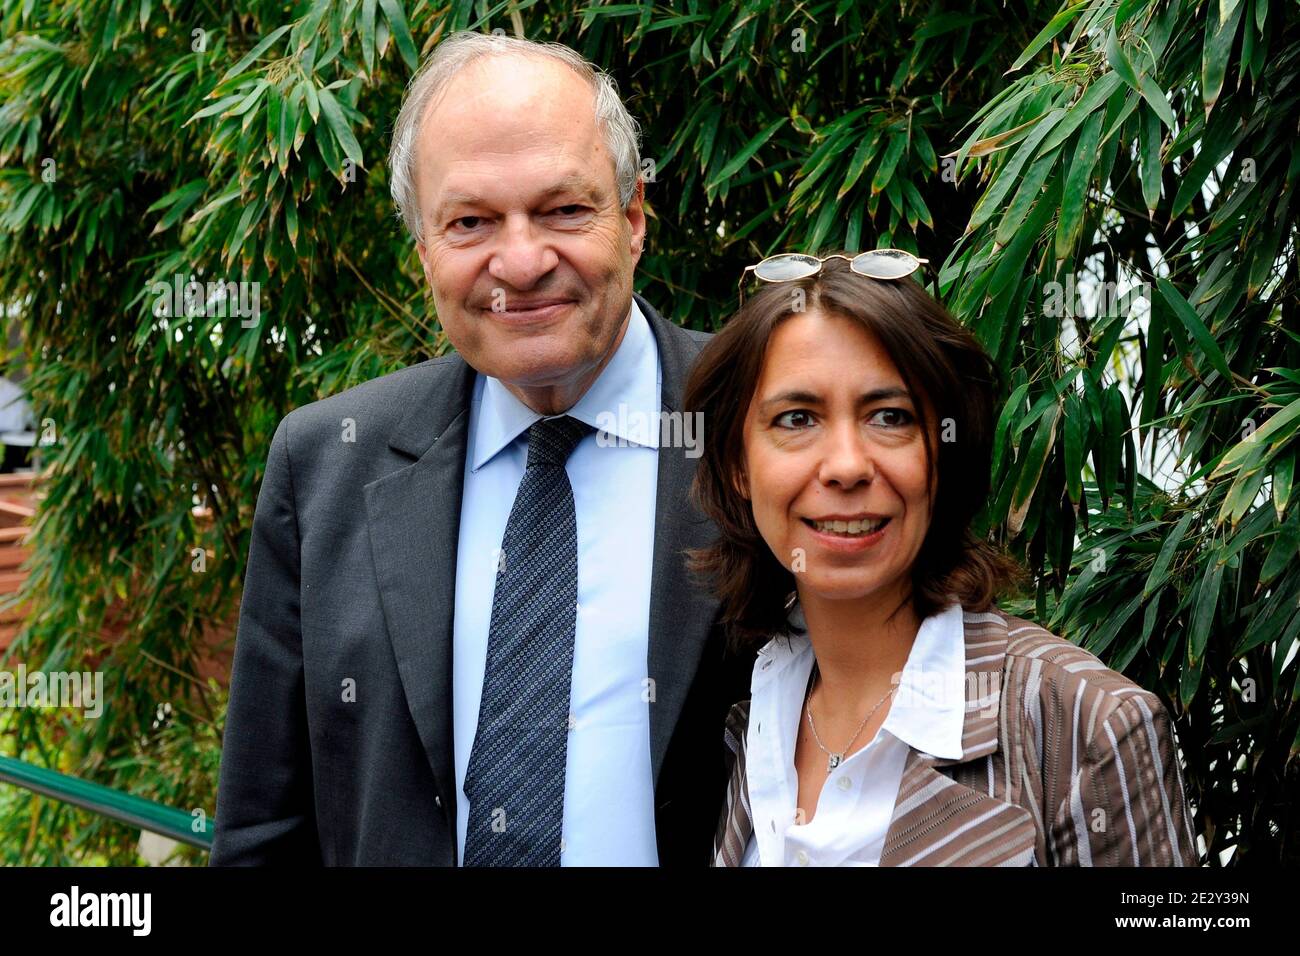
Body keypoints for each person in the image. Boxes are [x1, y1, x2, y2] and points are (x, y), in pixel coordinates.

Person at [210, 32, 751, 866]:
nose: (523, 261)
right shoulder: (324, 465)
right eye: (471, 222)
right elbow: (265, 829)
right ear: (424, 251)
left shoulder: (764, 428)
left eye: (565, 210)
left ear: (635, 216)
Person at [683, 251, 1199, 866]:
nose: (847, 465)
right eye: (798, 418)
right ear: (739, 466)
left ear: (942, 456)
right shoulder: (752, 721)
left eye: (890, 417)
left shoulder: (1085, 728)